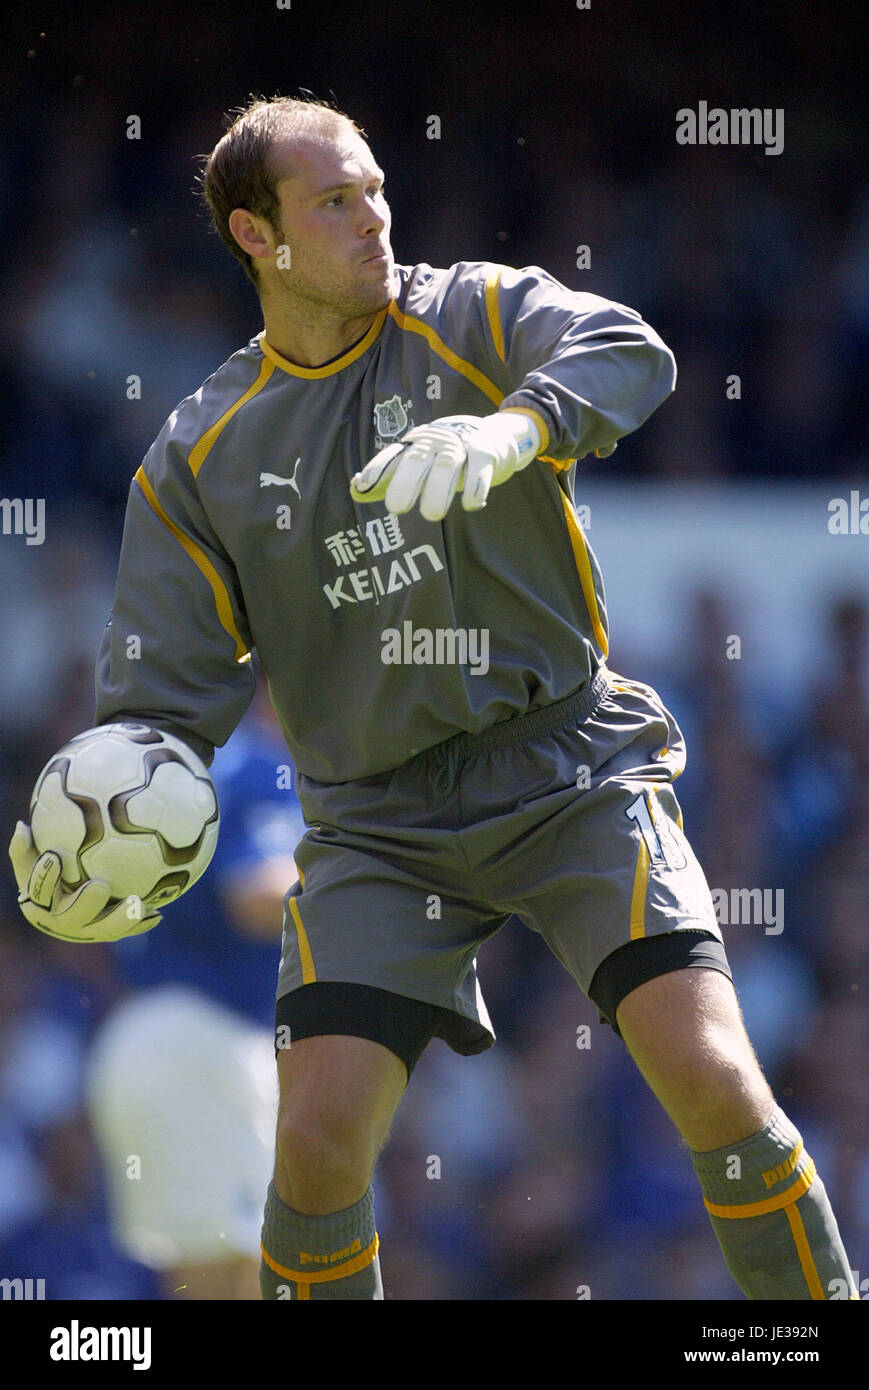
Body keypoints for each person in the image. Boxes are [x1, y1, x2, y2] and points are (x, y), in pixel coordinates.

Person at [10, 94, 856, 1302]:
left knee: (713, 1074)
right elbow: (160, 709)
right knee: (309, 1152)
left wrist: (519, 428)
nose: (374, 217)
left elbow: (632, 350)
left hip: (567, 769)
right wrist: (101, 824)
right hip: (373, 824)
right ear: (257, 236)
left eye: (376, 187)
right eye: (335, 200)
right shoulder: (198, 458)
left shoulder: (471, 310)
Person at [85, 686, 303, 1300]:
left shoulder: (204, 767)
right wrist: (374, 862)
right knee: (224, 1280)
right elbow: (257, 897)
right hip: (201, 1046)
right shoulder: (260, 766)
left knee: (237, 1279)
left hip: (169, 1043)